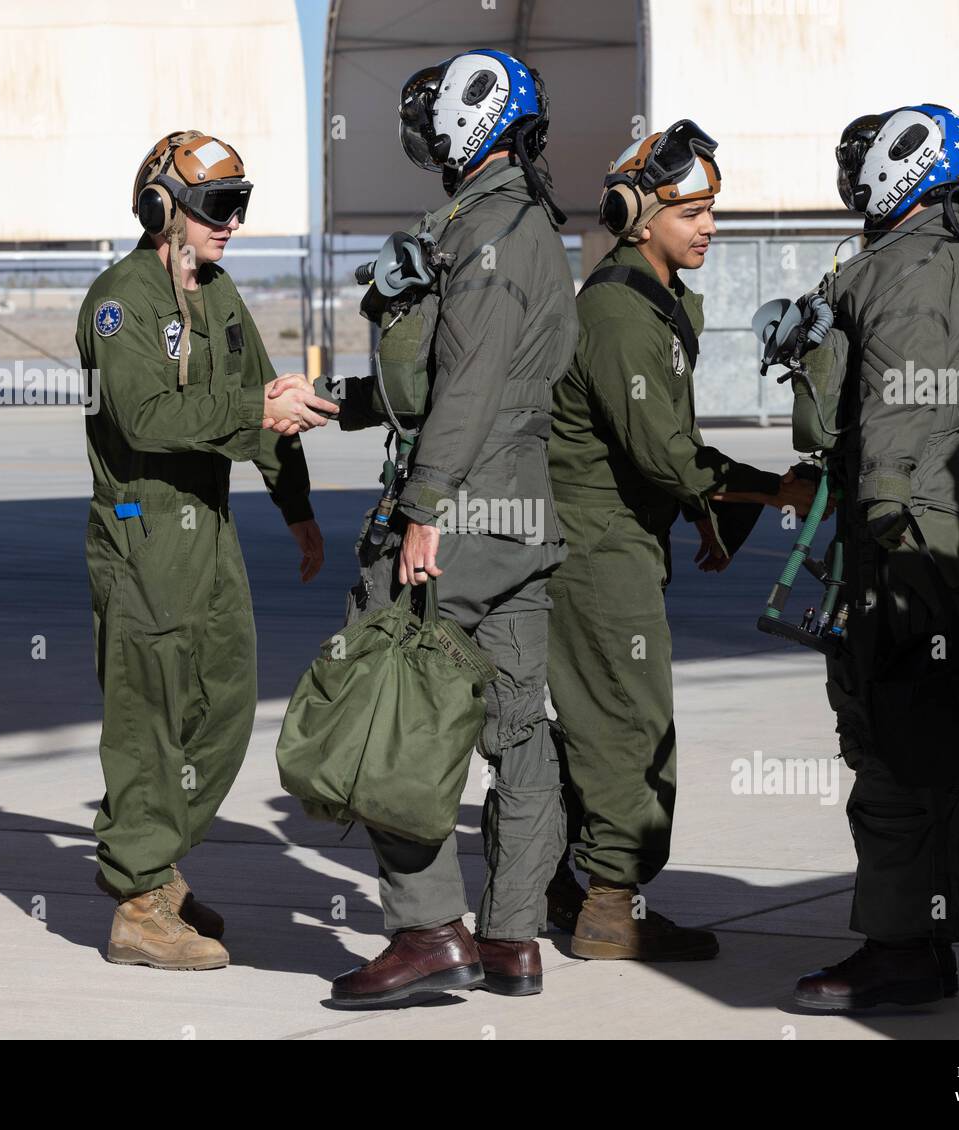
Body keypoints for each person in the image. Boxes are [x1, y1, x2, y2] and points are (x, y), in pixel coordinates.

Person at [317, 50, 578, 1006]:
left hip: (460, 513)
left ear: (476, 119)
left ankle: (429, 930)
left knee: (386, 702)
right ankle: (513, 939)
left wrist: (423, 508)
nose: (423, 134)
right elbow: (461, 381)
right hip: (517, 515)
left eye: (435, 116)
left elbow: (463, 386)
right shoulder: (527, 225)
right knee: (517, 730)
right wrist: (338, 404)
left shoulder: (489, 231)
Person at [544, 122, 817, 959]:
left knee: (604, 724)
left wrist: (710, 513)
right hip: (598, 555)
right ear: (638, 213)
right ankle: (608, 904)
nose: (707, 225)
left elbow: (662, 445)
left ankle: (575, 882)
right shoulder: (621, 313)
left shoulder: (647, 303)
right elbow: (668, 454)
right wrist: (769, 489)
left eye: (711, 208)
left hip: (615, 543)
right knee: (632, 728)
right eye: (691, 210)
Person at [76, 130, 337, 970]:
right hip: (141, 531)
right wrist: (257, 410)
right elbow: (145, 418)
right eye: (218, 207)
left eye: (239, 205)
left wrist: (294, 504)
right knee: (149, 714)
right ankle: (139, 897)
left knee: (224, 705)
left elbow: (257, 388)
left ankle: (153, 864)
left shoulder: (220, 295)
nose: (231, 222)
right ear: (163, 208)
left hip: (209, 532)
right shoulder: (121, 302)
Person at [791, 104, 959, 1009]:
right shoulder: (927, 258)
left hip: (901, 539)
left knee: (893, 746)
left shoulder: (918, 267)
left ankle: (901, 951)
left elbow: (897, 410)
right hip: (910, 529)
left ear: (906, 166)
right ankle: (919, 939)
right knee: (912, 740)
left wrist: (877, 534)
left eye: (863, 162)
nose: (853, 179)